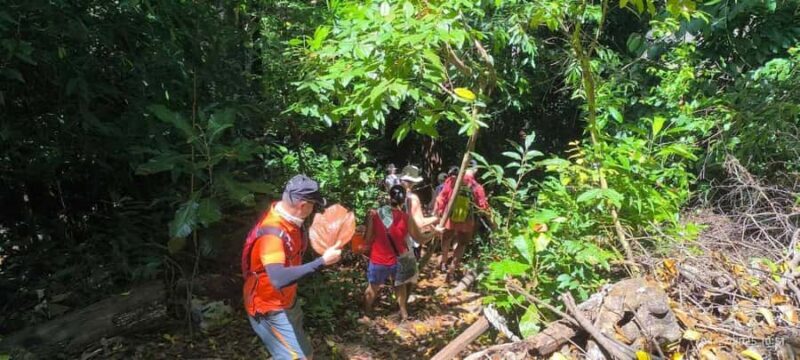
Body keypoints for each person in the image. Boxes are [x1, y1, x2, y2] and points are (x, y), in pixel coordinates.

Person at [242, 174, 342, 360]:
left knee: (306, 354)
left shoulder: (290, 221)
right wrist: (322, 262)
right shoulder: (272, 233)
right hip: (268, 307)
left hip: (287, 301)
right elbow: (278, 278)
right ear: (303, 205)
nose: (313, 210)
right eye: (313, 206)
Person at [363, 185, 434, 320]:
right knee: (400, 285)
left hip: (379, 258)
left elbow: (368, 238)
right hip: (399, 258)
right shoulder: (406, 218)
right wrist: (434, 233)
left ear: (390, 197)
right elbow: (420, 238)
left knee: (373, 287)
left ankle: (367, 314)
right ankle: (404, 313)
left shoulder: (376, 214)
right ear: (403, 201)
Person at [434, 160, 490, 282]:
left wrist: (440, 214)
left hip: (450, 216)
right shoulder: (477, 187)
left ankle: (443, 263)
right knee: (462, 244)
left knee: (446, 239)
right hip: (466, 221)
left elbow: (441, 198)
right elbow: (482, 207)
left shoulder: (452, 181)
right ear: (475, 170)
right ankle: (452, 270)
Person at [399, 165, 439, 258]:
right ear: (414, 183)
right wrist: (436, 218)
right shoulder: (412, 198)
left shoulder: (392, 195)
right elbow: (419, 223)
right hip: (408, 242)